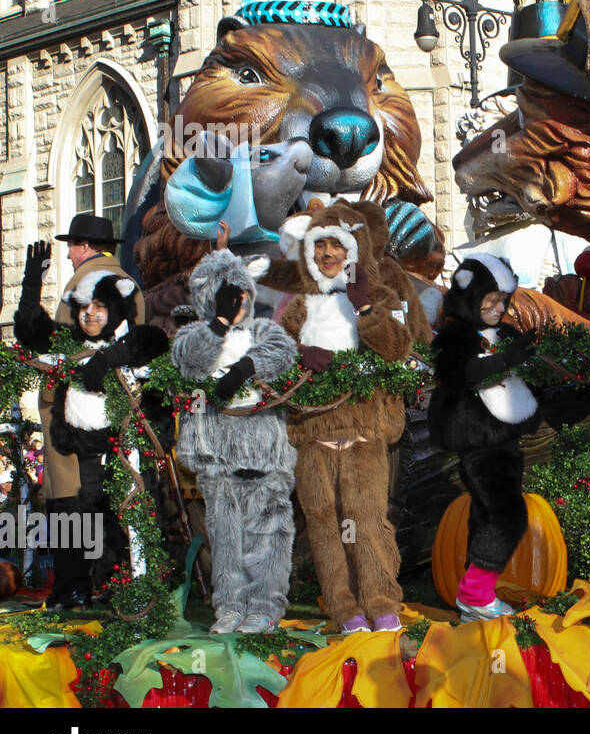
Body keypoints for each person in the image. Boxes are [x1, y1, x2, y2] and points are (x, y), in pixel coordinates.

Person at [277, 202, 412, 634]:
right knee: (324, 523)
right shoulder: (299, 308)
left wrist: (365, 309)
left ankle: (380, 600)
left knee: (366, 517)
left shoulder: (377, 297)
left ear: (352, 252)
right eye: (320, 246)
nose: (328, 254)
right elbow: (275, 359)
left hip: (361, 433)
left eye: (337, 245)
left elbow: (396, 349)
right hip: (312, 436)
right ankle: (343, 606)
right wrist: (300, 355)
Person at [14, 242, 167, 609]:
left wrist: (105, 360)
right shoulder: (71, 342)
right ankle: (73, 589)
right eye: (85, 308)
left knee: (121, 519)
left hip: (120, 445)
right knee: (74, 518)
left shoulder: (127, 339)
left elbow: (152, 340)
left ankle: (126, 587)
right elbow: (30, 331)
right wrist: (31, 286)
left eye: (100, 308)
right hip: (80, 445)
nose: (91, 315)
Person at [171, 250, 300, 634]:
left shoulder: (263, 332)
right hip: (217, 455)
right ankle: (229, 606)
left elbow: (283, 354)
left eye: (242, 296)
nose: (238, 304)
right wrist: (219, 323)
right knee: (226, 538)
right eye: (228, 298)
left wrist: (244, 368)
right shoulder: (195, 336)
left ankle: (264, 607)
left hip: (264, 453)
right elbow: (188, 359)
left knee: (269, 533)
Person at [430, 254, 539, 621]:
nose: (497, 308)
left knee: (484, 515)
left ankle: (475, 598)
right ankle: (475, 593)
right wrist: (505, 360)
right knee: (509, 516)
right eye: (489, 300)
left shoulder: (502, 334)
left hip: (504, 442)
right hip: (478, 443)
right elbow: (463, 372)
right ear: (469, 298)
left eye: (502, 301)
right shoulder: (454, 337)